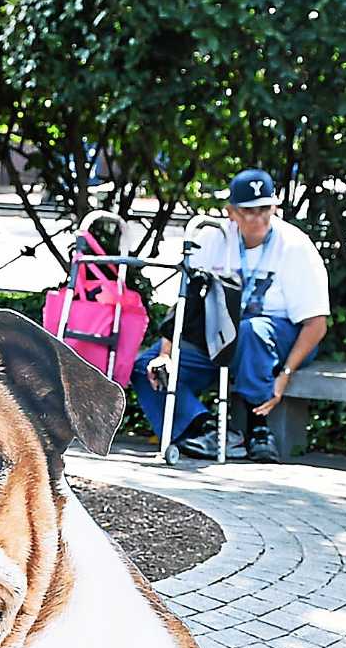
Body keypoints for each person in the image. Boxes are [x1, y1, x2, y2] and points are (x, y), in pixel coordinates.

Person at [132, 169, 330, 463]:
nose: (259, 218)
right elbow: (186, 300)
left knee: (252, 331)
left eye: (265, 209)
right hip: (223, 335)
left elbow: (316, 325)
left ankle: (258, 430)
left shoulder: (296, 246)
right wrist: (165, 353)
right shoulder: (215, 238)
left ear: (276, 208)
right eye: (249, 211)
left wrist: (285, 377)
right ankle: (206, 430)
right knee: (145, 367)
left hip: (281, 336)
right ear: (232, 213)